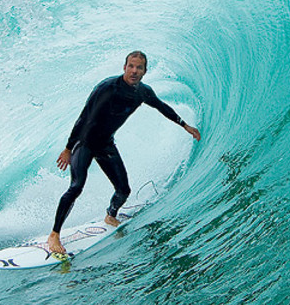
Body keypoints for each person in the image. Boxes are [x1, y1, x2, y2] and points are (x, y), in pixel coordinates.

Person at [47, 51, 200, 256]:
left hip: (106, 145)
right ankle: (54, 234)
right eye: (131, 66)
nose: (134, 71)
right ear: (124, 67)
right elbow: (84, 118)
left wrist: (184, 125)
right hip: (84, 143)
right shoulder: (106, 88)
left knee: (123, 190)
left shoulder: (143, 92)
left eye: (139, 68)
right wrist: (68, 148)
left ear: (145, 71)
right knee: (76, 186)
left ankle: (111, 215)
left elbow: (162, 107)